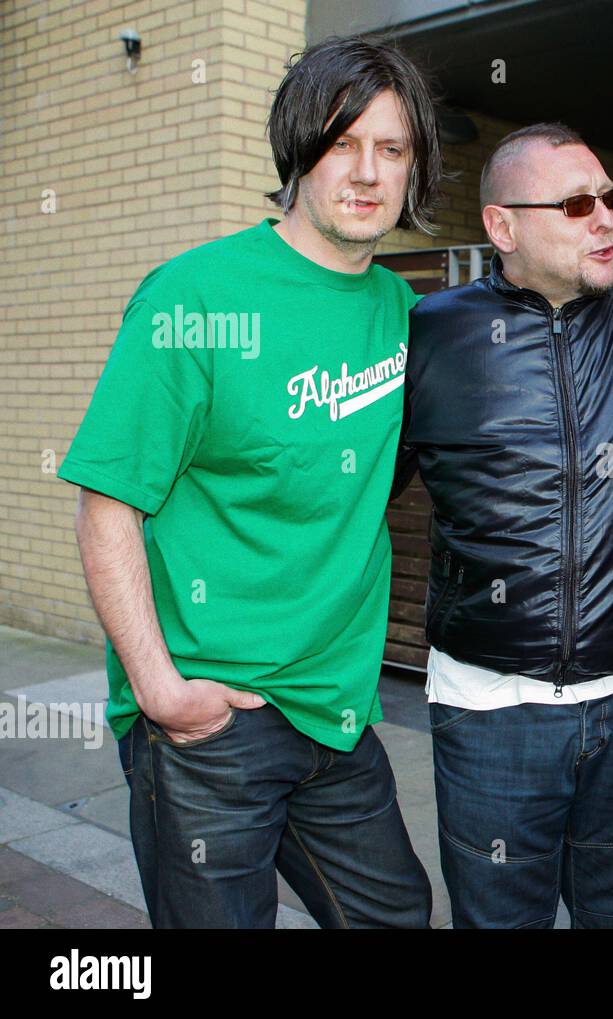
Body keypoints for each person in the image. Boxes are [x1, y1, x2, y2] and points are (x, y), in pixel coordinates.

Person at [58, 37, 442, 928]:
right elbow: (107, 501)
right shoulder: (193, 299)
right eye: (341, 144)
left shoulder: (409, 317)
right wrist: (159, 689)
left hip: (336, 714)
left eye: (392, 149)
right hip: (208, 720)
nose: (366, 172)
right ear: (296, 149)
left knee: (395, 916)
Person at [393, 123, 613, 929]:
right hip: (492, 710)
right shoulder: (433, 333)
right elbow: (353, 500)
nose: (605, 219)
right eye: (575, 203)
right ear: (503, 227)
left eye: (608, 199)